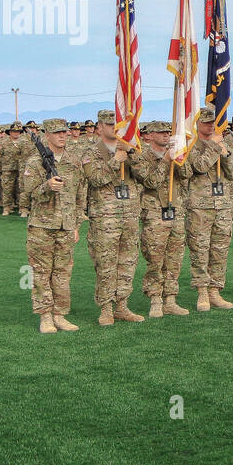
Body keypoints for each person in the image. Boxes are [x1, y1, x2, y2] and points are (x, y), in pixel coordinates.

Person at [21, 119, 84, 333]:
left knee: (63, 273)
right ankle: (45, 316)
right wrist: (47, 186)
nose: (63, 136)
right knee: (41, 272)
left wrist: (76, 224)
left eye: (64, 132)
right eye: (57, 133)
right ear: (47, 135)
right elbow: (29, 193)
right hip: (42, 225)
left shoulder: (74, 161)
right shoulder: (35, 162)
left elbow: (79, 195)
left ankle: (60, 314)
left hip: (66, 226)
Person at [82, 110, 143, 326]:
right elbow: (96, 179)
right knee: (106, 263)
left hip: (129, 215)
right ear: (99, 127)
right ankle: (106, 308)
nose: (114, 129)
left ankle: (122, 306)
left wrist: (131, 155)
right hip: (105, 218)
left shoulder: (132, 149)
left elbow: (146, 177)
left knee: (128, 262)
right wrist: (116, 160)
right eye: (109, 125)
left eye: (118, 125)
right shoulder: (90, 151)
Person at [129, 120, 190, 317]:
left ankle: (170, 299)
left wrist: (178, 158)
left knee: (174, 259)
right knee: (155, 259)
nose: (166, 135)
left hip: (176, 211)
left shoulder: (175, 153)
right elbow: (150, 181)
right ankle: (155, 299)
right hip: (155, 214)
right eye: (161, 132)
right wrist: (165, 161)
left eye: (168, 132)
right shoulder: (142, 157)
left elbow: (187, 174)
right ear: (151, 135)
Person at [187, 105, 233, 311]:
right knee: (200, 251)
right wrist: (215, 147)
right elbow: (199, 167)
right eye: (206, 122)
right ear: (197, 124)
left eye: (213, 122)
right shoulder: (191, 145)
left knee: (220, 251)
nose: (210, 126)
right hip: (201, 206)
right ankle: (202, 293)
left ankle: (215, 291)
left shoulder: (222, 144)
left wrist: (225, 154)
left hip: (223, 206)